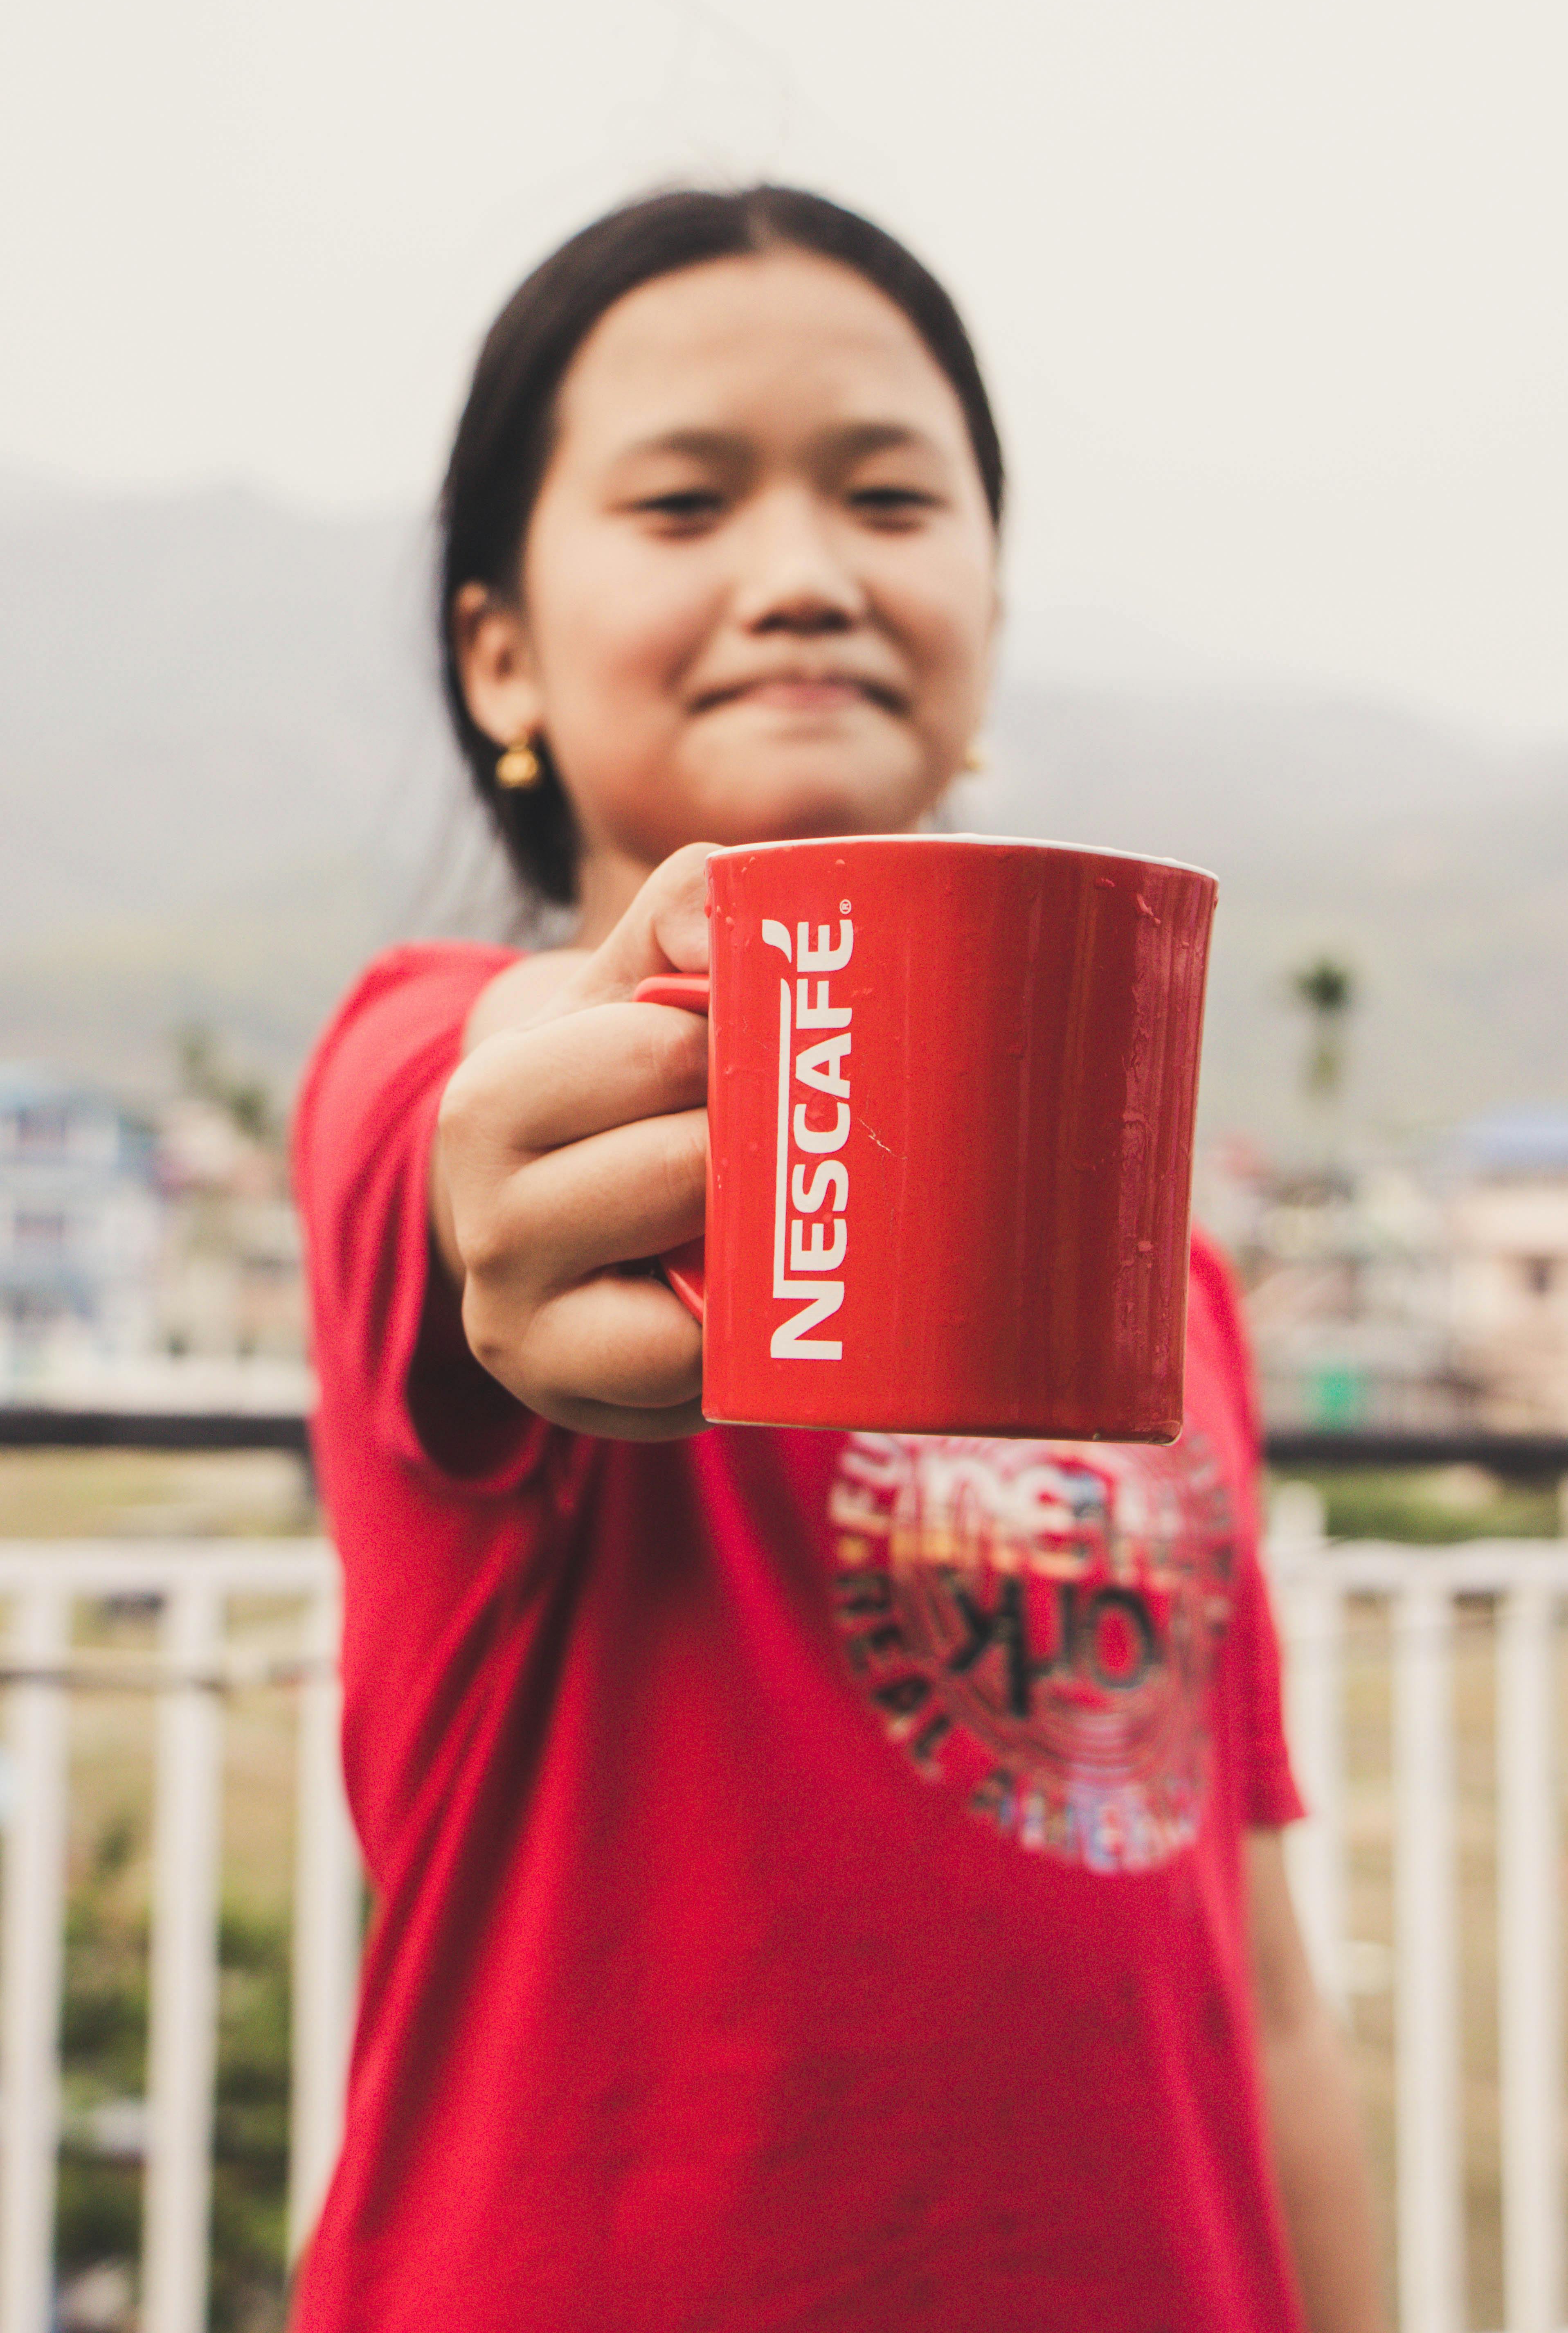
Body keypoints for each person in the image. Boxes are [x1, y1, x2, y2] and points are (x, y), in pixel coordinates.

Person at [290, 185, 1385, 2332]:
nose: (802, 577)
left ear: (985, 594)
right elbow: (465, 1138)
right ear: (496, 648)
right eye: (685, 502)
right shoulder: (413, 1054)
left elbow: (1262, 2002)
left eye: (890, 495)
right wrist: (517, 1146)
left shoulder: (1174, 1289)